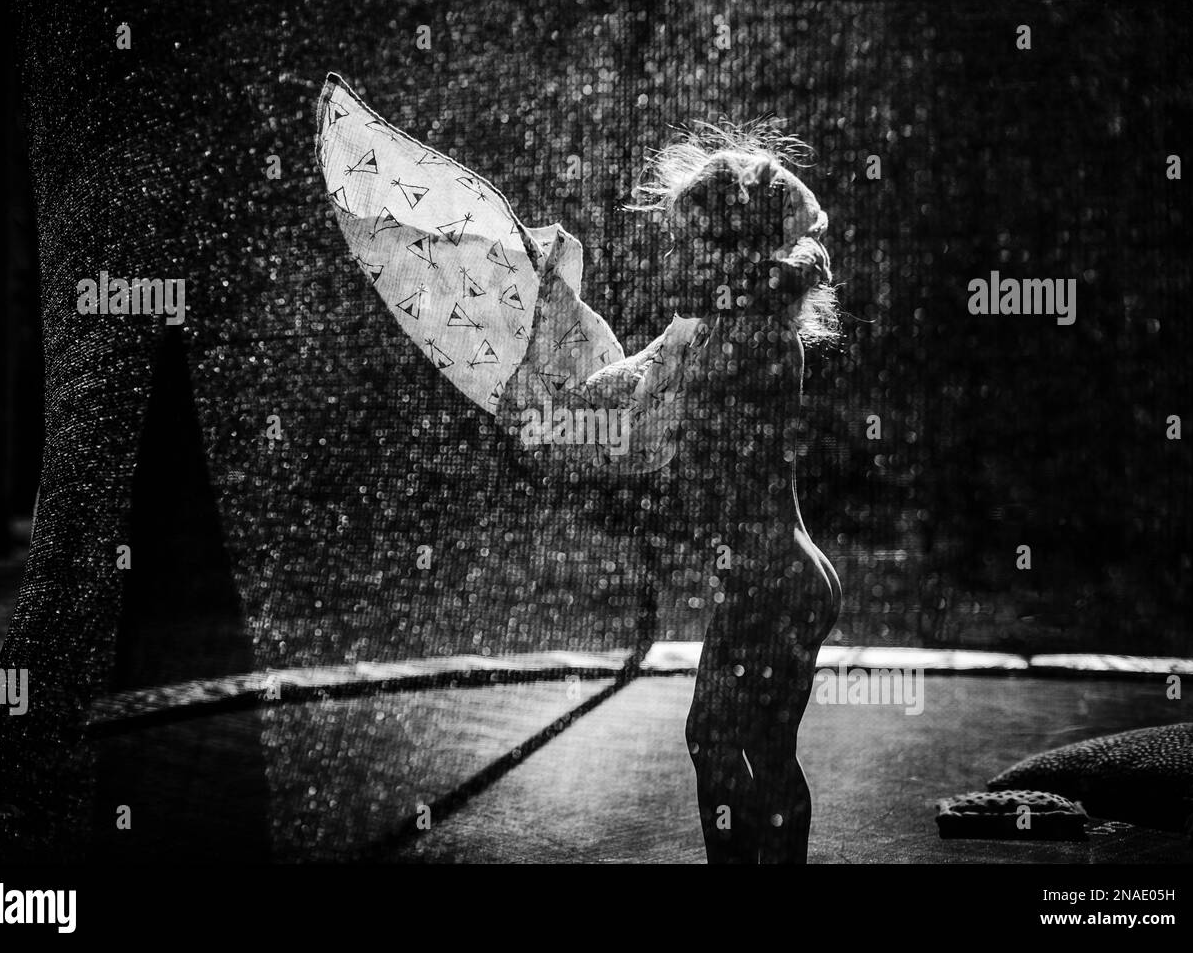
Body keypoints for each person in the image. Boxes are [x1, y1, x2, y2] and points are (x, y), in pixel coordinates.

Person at [318, 80, 842, 862]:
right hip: (771, 578)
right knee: (731, 743)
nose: (673, 260)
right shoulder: (713, 335)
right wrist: (561, 373)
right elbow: (628, 388)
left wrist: (568, 418)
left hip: (776, 584)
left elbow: (647, 430)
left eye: (688, 246)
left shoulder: (748, 344)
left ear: (730, 253)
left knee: (732, 742)